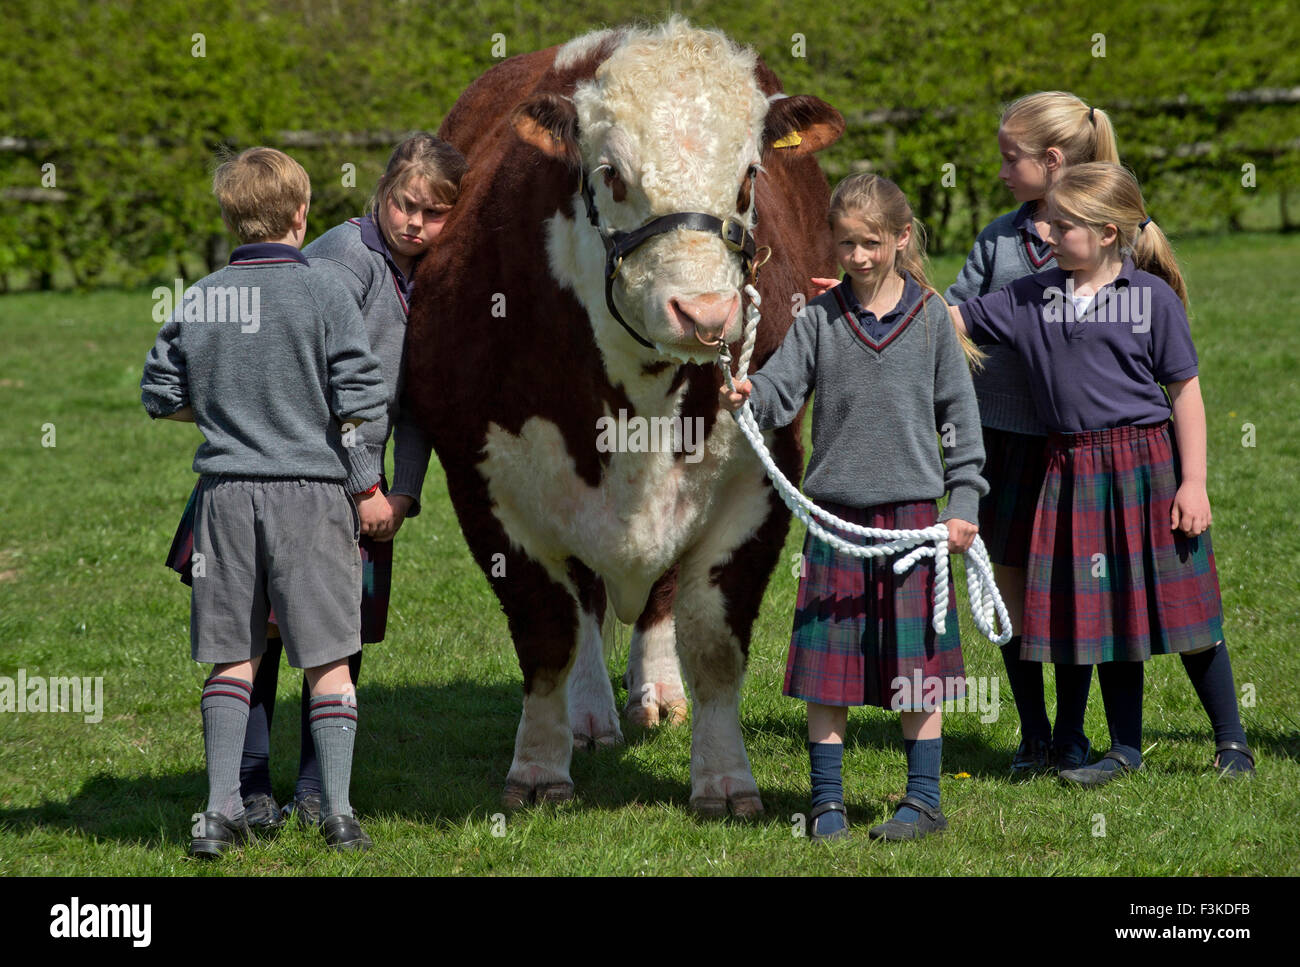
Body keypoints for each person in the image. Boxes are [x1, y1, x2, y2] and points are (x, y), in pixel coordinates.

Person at [950, 162, 1254, 786]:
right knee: (1106, 612)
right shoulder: (1030, 296)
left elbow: (1186, 393)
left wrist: (1193, 483)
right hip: (1071, 471)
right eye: (1048, 225)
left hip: (1149, 469)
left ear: (1109, 232)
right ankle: (1124, 749)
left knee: (1186, 611)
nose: (1048, 237)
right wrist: (874, 290)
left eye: (1062, 227)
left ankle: (1233, 743)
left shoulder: (1152, 299)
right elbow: (949, 321)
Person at [720, 173, 986, 841]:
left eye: (871, 243)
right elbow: (779, 393)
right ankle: (827, 802)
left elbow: (959, 420)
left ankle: (924, 799)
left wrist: (963, 500)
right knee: (827, 673)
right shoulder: (817, 321)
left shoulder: (930, 319)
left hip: (913, 523)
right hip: (835, 520)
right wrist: (748, 392)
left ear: (900, 238)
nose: (859, 257)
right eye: (845, 244)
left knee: (915, 670)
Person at [141, 146, 388, 856]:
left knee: (232, 655)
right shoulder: (325, 292)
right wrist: (346, 456)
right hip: (312, 496)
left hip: (223, 496)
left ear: (230, 218)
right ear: (301, 214)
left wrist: (224, 412)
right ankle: (338, 813)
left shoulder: (202, 295)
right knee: (329, 657)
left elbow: (160, 394)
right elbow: (363, 399)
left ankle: (218, 811)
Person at [234, 133, 468, 829]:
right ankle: (248, 788)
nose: (415, 223)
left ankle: (313, 791)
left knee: (336, 640)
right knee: (266, 635)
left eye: (433, 214)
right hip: (297, 475)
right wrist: (368, 483)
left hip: (360, 491)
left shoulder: (425, 276)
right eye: (405, 205)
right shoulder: (346, 257)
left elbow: (417, 401)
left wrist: (405, 491)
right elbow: (325, 383)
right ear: (383, 190)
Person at [947, 92, 1120, 776]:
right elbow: (953, 315)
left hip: (1070, 445)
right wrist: (873, 296)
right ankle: (1033, 734)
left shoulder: (1109, 234)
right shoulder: (996, 238)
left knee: (1074, 590)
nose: (999, 170)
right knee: (1007, 589)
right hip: (997, 440)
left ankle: (1075, 733)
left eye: (1008, 158)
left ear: (1051, 161)